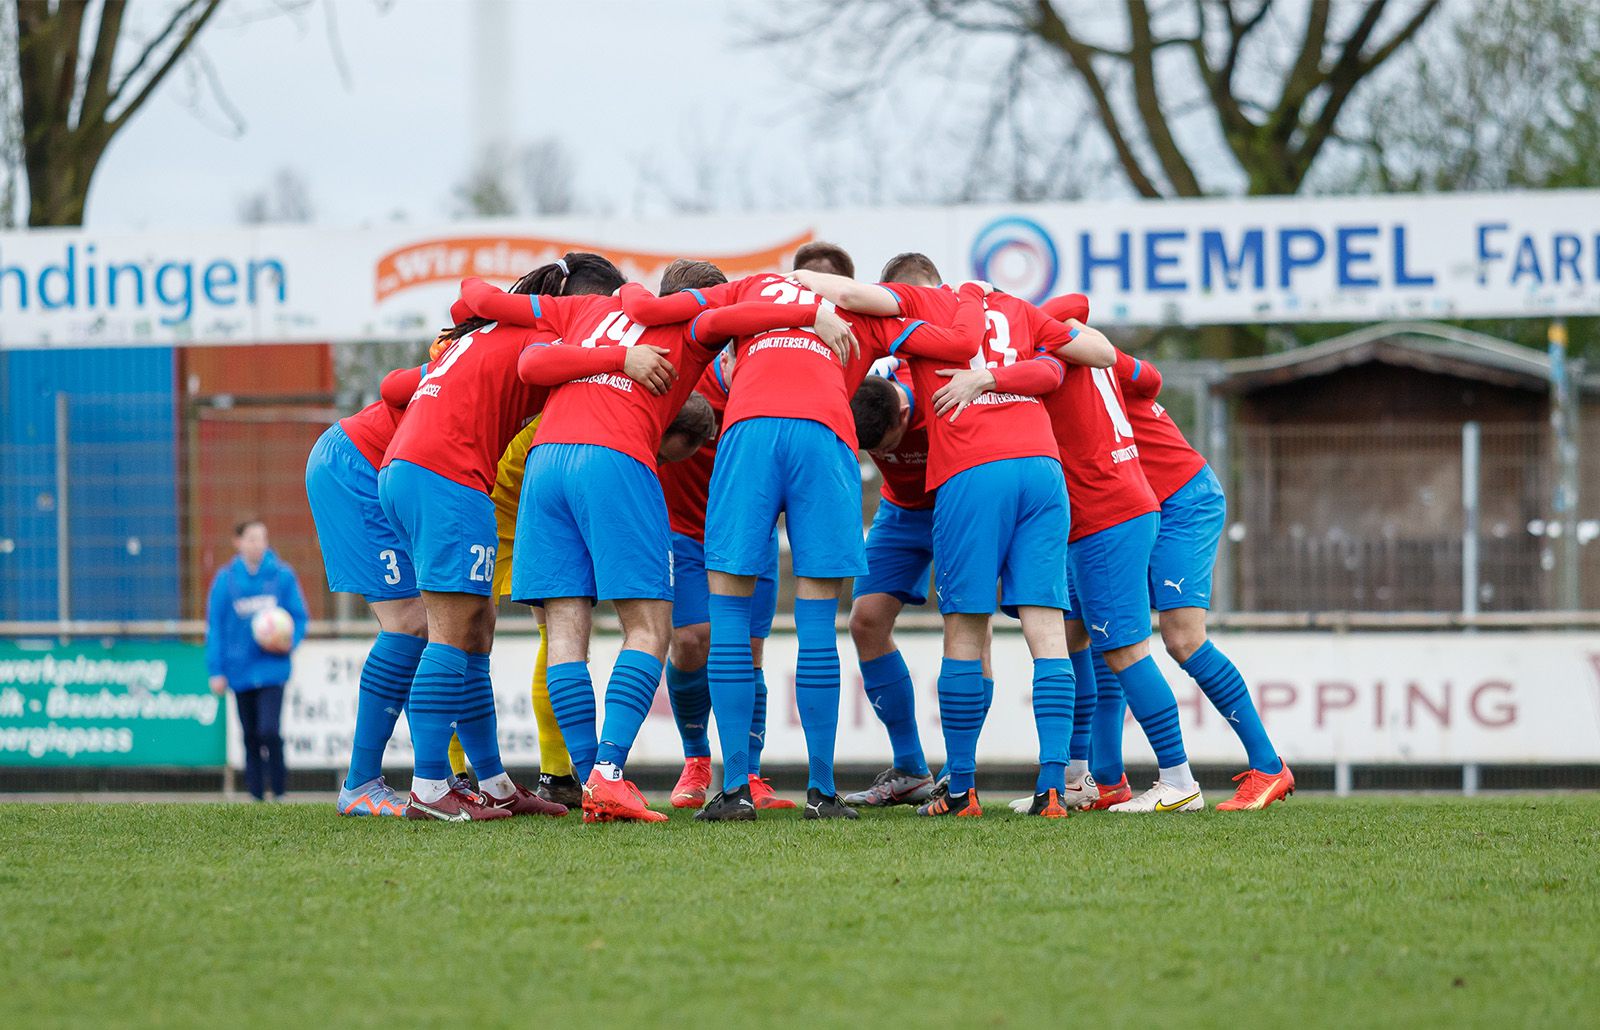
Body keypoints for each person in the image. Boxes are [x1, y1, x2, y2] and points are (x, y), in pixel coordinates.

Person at [457, 256, 851, 822]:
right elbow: (754, 311)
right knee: (649, 626)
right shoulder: (693, 325)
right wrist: (815, 309)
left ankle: (592, 780)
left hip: (545, 465)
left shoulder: (588, 309)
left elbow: (501, 324)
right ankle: (610, 772)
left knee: (566, 630)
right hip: (615, 456)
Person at [618, 257, 989, 820]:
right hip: (825, 436)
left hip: (751, 433)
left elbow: (643, 308)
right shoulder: (860, 305)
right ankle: (822, 791)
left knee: (731, 622)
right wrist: (964, 298)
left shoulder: (742, 292)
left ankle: (735, 787)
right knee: (818, 624)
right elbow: (958, 344)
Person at [800, 261, 1114, 818]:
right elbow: (1087, 358)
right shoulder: (1016, 311)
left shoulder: (918, 316)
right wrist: (1016, 355)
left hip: (971, 475)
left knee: (967, 630)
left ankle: (962, 786)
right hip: (1040, 469)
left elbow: (845, 291)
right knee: (1046, 629)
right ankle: (1051, 788)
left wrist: (779, 289)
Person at [379, 261, 635, 822]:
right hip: (448, 476)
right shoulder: (540, 335)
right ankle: (427, 787)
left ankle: (493, 783)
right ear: (574, 299)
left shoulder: (484, 326)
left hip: (416, 469)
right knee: (450, 635)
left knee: (475, 630)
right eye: (605, 305)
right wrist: (622, 358)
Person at [1106, 345, 1294, 810]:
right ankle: (1107, 778)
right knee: (1107, 636)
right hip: (1139, 510)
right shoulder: (1053, 374)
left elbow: (1147, 376)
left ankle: (1268, 766)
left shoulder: (1082, 366)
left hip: (1181, 503)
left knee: (1183, 639)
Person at [658, 348, 790, 811]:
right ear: (731, 356)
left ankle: (750, 773)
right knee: (691, 640)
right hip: (684, 532)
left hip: (751, 535)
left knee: (749, 652)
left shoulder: (779, 389)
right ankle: (696, 761)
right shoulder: (687, 379)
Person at [305, 361, 430, 816]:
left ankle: (433, 778)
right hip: (357, 466)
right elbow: (392, 384)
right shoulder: (490, 351)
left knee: (432, 625)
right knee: (411, 622)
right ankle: (359, 782)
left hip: (388, 474)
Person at [205, 520, 308, 803]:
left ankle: (279, 791)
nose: (257, 544)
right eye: (251, 538)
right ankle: (255, 795)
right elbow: (215, 626)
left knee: (269, 730)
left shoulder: (282, 576)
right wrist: (216, 669)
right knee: (250, 734)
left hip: (272, 668)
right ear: (238, 542)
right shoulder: (226, 580)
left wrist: (289, 640)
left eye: (262, 538)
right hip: (240, 670)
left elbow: (299, 617)